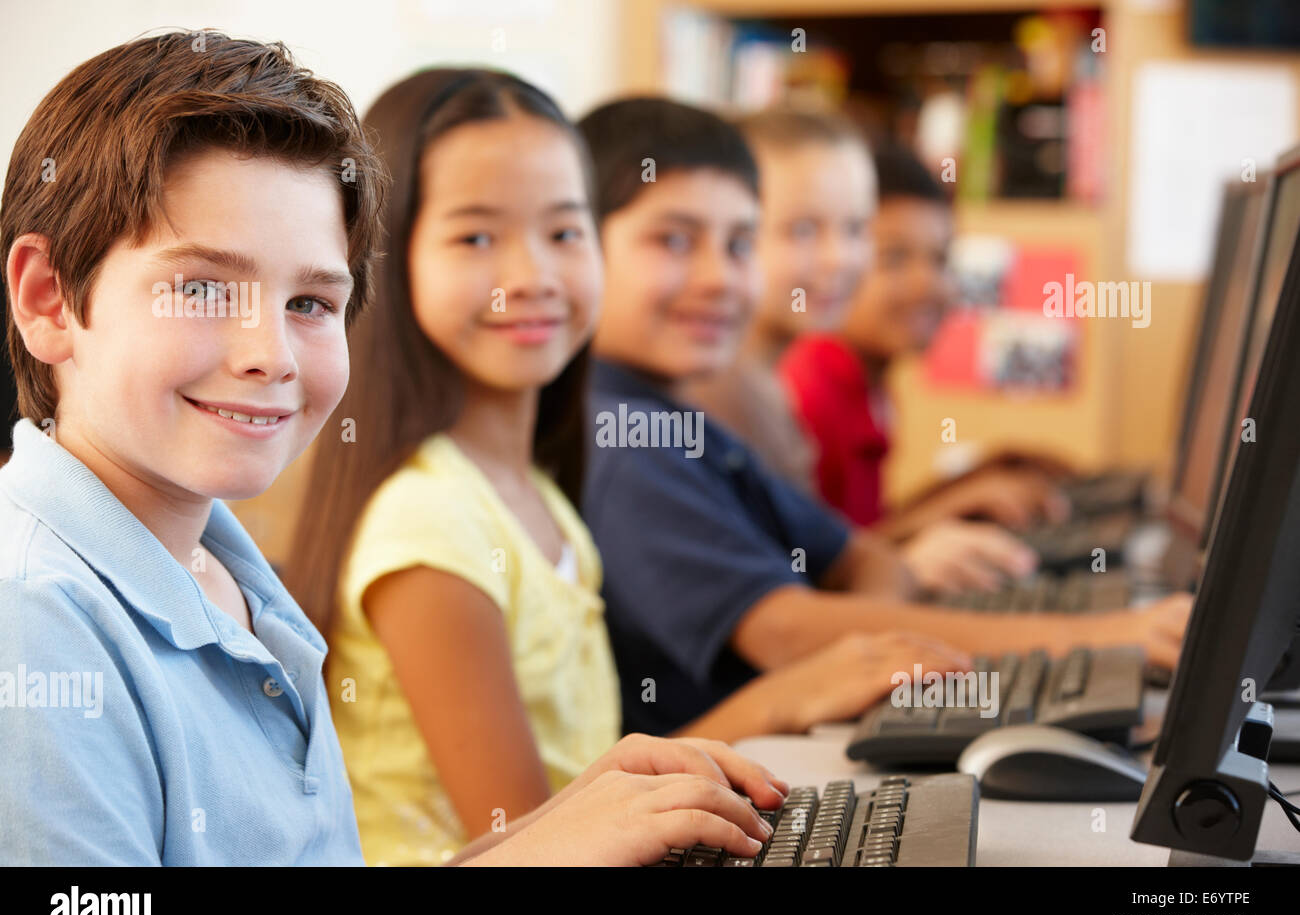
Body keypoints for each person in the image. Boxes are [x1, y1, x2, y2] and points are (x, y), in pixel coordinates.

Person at [0, 32, 786, 867]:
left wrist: (568, 819)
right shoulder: (32, 618)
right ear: (49, 300)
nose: (271, 352)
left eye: (310, 300)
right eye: (201, 288)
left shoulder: (222, 565)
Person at [284, 69, 969, 865]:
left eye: (564, 233)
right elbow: (536, 841)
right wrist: (780, 700)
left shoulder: (537, 492)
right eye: (477, 237)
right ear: (385, 262)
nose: (532, 276)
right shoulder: (429, 523)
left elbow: (590, 794)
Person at [577, 96, 1192, 737]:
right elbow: (789, 631)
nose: (719, 277)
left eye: (739, 242)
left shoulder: (677, 420)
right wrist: (1097, 637)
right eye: (674, 240)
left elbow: (863, 558)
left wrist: (862, 639)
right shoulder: (627, 441)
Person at [781, 138, 1072, 541]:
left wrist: (974, 480)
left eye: (941, 259)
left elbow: (860, 532)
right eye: (896, 259)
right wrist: (954, 502)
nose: (928, 284)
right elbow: (818, 573)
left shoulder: (864, 381)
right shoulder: (808, 391)